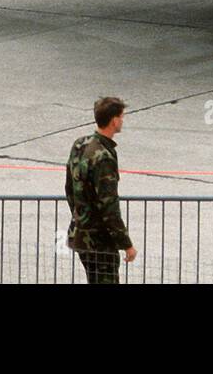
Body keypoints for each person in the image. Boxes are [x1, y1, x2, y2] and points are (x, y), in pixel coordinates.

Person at [65, 96, 136, 284]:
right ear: (114, 120)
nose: (122, 121)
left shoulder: (80, 144)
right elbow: (109, 207)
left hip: (80, 234)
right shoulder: (103, 157)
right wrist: (126, 244)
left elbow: (69, 188)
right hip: (100, 241)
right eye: (121, 117)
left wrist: (80, 214)